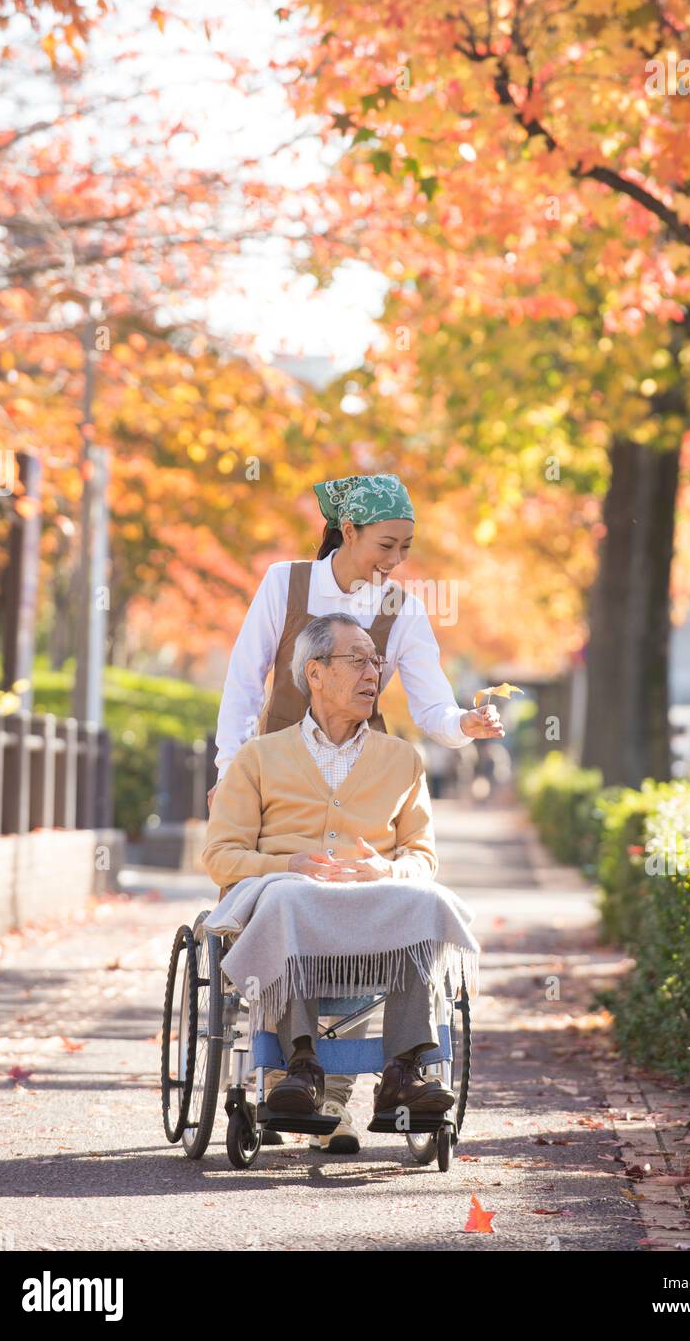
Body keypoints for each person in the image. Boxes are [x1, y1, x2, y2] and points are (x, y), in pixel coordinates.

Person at [205, 472, 503, 1143]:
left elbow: (430, 706)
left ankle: (381, 1079)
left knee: (392, 899)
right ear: (349, 533)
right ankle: (304, 1077)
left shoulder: (403, 609)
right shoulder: (286, 585)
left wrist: (464, 726)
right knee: (290, 894)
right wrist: (229, 768)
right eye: (385, 546)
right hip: (277, 774)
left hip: (357, 774)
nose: (394, 562)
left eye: (405, 548)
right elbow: (243, 677)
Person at [200, 613, 460, 1128]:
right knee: (290, 895)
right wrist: (286, 865)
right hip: (289, 931)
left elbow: (423, 858)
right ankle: (300, 1066)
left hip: (374, 939)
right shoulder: (257, 758)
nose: (374, 675)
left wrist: (384, 870)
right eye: (358, 661)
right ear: (314, 673)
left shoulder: (403, 760)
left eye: (377, 663)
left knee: (425, 901)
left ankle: (404, 1074)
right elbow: (220, 856)